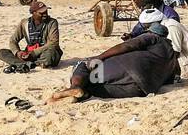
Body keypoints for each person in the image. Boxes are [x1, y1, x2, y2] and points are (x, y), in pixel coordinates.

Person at [49, 27, 179, 103]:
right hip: (140, 90)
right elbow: (172, 79)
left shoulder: (152, 37)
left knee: (83, 64)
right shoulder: (173, 58)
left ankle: (75, 86)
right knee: (92, 89)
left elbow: (127, 46)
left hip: (128, 70)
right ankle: (82, 94)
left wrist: (99, 57)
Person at [0, 1, 62, 71]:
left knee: (50, 53)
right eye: (41, 13)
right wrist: (18, 53)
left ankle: (25, 64)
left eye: (46, 12)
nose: (45, 15)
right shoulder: (24, 23)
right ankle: (25, 64)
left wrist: (34, 53)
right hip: (29, 53)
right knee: (1, 52)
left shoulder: (52, 22)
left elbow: (53, 43)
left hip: (43, 52)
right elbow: (13, 40)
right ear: (33, 13)